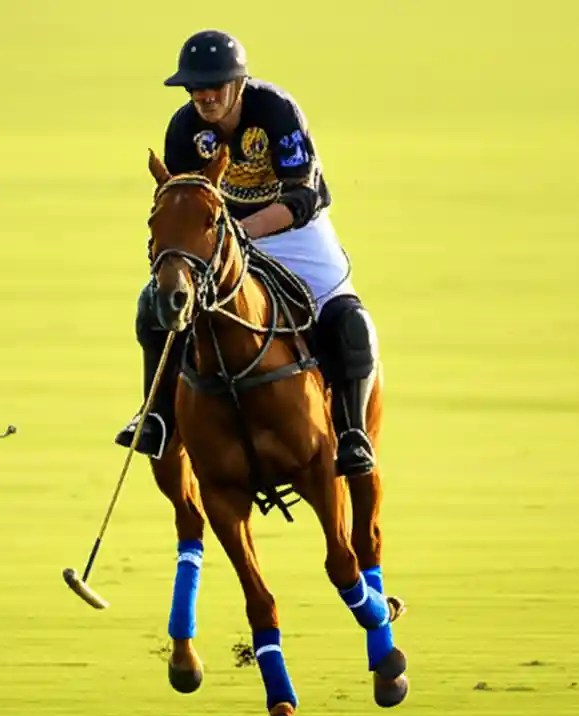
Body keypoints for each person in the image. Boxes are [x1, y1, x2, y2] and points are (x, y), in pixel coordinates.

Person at [115, 29, 380, 477]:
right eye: (195, 87)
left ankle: (351, 433)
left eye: (214, 85)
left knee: (347, 317)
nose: (204, 96)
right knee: (155, 306)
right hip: (219, 238)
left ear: (238, 83)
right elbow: (185, 198)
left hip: (293, 231)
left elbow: (302, 197)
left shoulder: (275, 111)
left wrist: (242, 230)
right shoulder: (184, 128)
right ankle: (156, 416)